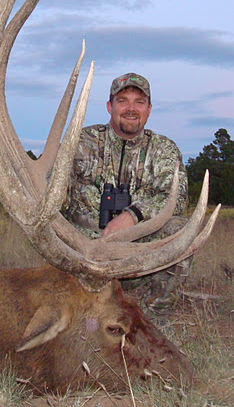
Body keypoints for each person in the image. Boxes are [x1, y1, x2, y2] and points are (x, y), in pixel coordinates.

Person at [61, 72, 191, 310]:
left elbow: (177, 198)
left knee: (180, 229)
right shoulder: (81, 141)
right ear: (110, 106)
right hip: (84, 251)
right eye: (123, 101)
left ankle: (156, 312)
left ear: (149, 109)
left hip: (137, 256)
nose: (131, 108)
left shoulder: (164, 150)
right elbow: (54, 193)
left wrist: (132, 216)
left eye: (139, 102)